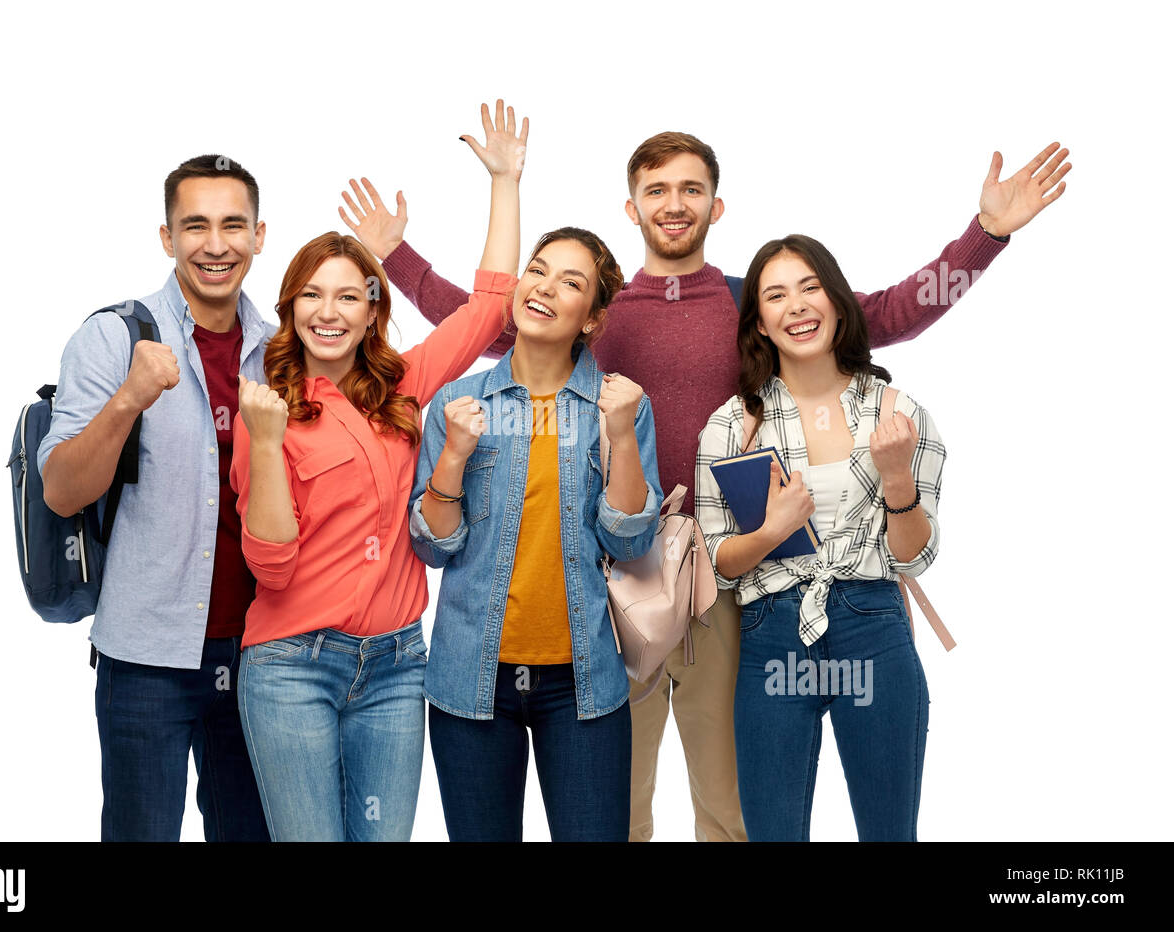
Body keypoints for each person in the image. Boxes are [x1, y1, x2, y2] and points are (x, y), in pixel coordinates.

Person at [343, 133, 1069, 841]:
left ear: (716, 205)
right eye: (656, 190)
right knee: (618, 809)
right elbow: (482, 326)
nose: (674, 203)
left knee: (731, 809)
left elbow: (885, 312)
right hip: (615, 581)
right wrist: (396, 258)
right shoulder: (595, 312)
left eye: (692, 188)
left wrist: (985, 236)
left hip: (731, 582)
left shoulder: (746, 303)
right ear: (631, 208)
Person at [229, 100, 525, 842]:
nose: (328, 313)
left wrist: (505, 182)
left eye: (347, 297)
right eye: (311, 296)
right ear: (290, 306)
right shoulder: (269, 410)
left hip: (396, 664)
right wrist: (264, 444)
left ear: (371, 312)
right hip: (292, 665)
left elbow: (489, 310)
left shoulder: (403, 387)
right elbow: (269, 566)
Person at [38, 154, 274, 842]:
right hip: (145, 660)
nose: (216, 244)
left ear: (260, 236)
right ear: (167, 237)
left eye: (234, 225)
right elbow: (61, 491)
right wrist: (130, 398)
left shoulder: (281, 347)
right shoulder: (114, 337)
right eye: (194, 225)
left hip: (263, 657)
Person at [409, 223, 663, 842]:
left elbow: (630, 542)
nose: (544, 288)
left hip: (584, 684)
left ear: (593, 318)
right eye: (538, 269)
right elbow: (431, 546)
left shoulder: (620, 406)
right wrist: (453, 458)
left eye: (570, 282)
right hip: (471, 679)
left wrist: (623, 436)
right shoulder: (458, 401)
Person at [696, 233, 944, 841]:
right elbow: (720, 562)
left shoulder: (896, 412)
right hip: (770, 636)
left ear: (837, 302)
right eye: (776, 295)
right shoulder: (734, 423)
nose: (797, 306)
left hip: (873, 627)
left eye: (810, 288)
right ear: (759, 322)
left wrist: (895, 479)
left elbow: (917, 554)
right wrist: (772, 530)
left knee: (890, 833)